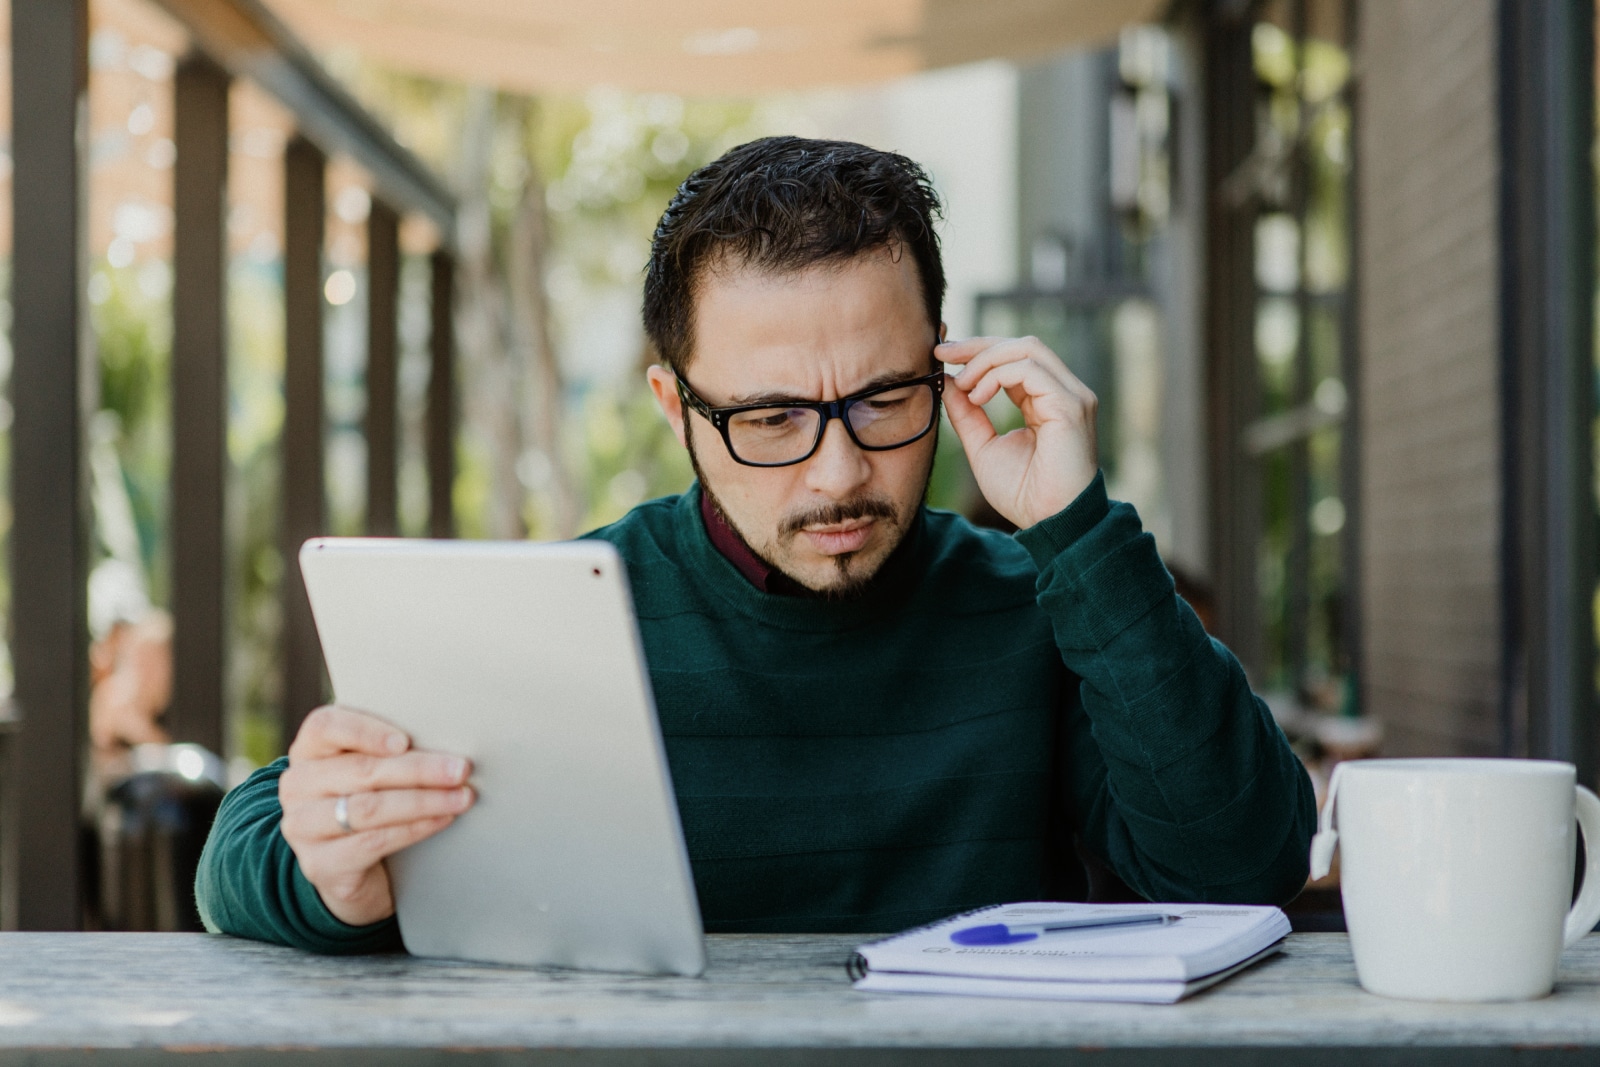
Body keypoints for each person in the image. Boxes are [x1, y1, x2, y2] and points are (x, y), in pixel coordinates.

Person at [197, 137, 1315, 952]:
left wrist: (1076, 527)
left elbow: (1242, 866)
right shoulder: (575, 608)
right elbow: (238, 851)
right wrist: (333, 868)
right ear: (674, 405)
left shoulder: (1039, 600)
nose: (836, 473)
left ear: (948, 367)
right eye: (769, 418)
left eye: (883, 399)